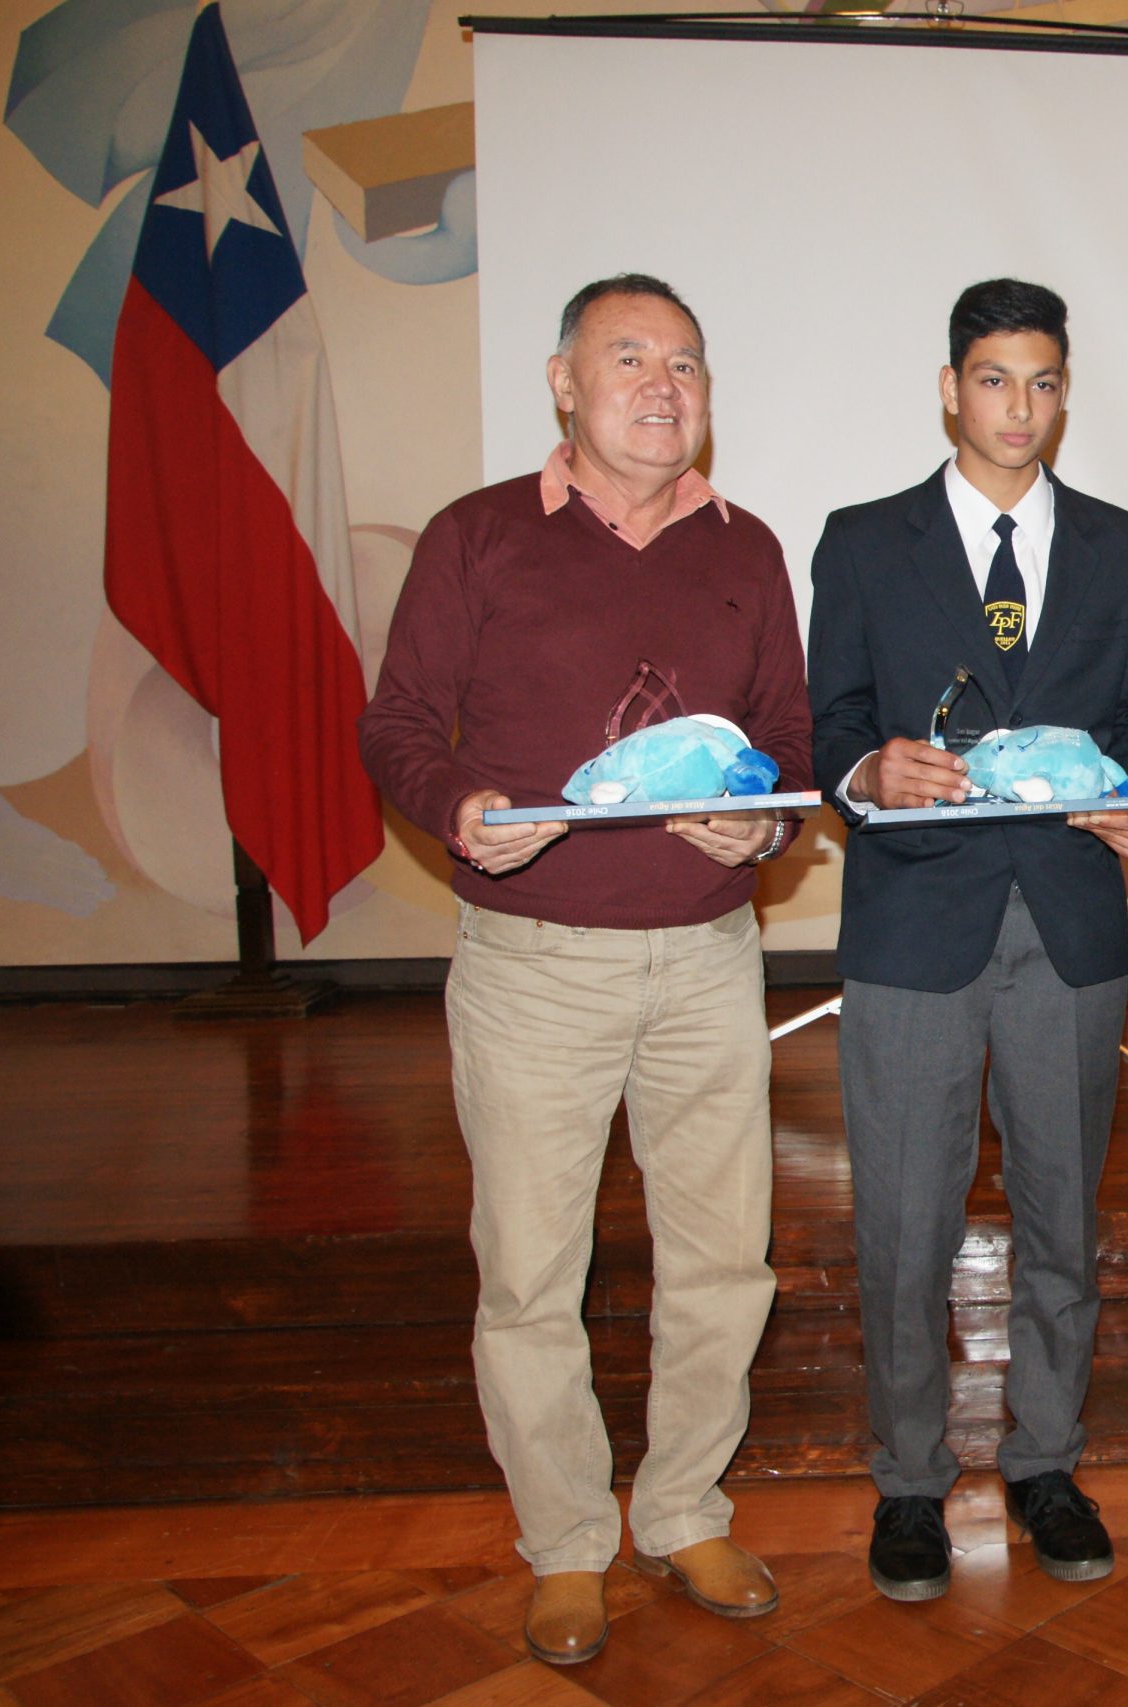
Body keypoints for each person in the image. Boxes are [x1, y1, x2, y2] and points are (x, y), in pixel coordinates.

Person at [359, 274, 811, 1664]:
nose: (664, 384)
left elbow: (787, 734)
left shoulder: (749, 546)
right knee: (531, 1272)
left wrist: (764, 813)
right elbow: (398, 726)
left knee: (724, 1258)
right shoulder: (477, 535)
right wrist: (456, 811)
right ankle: (564, 1538)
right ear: (563, 381)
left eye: (686, 361)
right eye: (629, 357)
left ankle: (683, 1507)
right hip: (532, 964)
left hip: (707, 959)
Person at [808, 279, 1128, 1602]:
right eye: (997, 379)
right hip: (913, 921)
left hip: (1069, 924)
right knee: (905, 1226)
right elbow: (830, 718)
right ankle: (910, 1477)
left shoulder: (1126, 545)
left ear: (1065, 392)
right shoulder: (862, 540)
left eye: (1045, 381)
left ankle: (1046, 1458)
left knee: (1062, 1217)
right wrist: (867, 771)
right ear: (951, 388)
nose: (1022, 407)